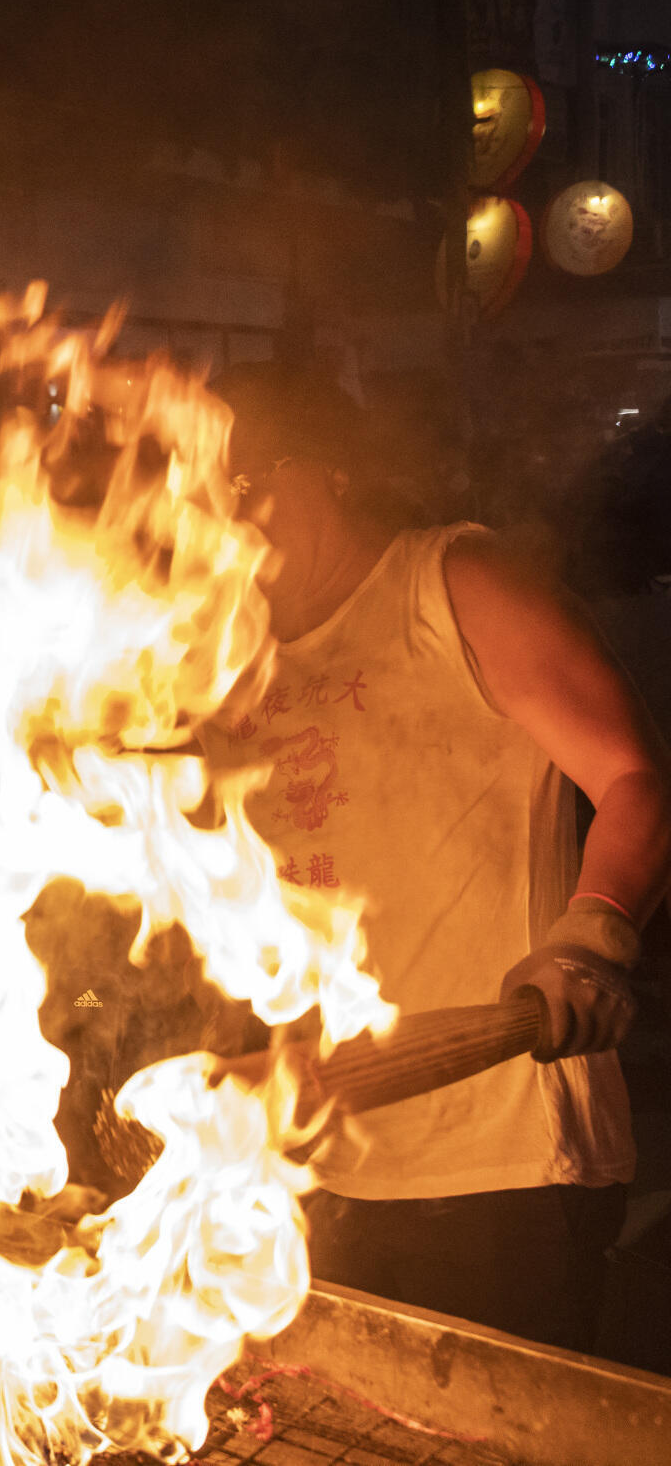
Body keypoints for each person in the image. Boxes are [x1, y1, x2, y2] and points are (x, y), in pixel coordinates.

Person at [207, 362, 670, 1354]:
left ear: (326, 470)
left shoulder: (451, 583)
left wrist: (591, 934)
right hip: (320, 1174)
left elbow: (636, 777)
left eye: (243, 482)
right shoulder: (236, 663)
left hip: (501, 1169)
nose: (224, 519)